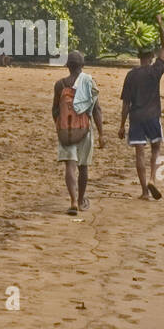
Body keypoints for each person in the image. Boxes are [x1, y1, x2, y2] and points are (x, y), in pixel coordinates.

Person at [119, 14, 164, 200]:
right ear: (151, 56)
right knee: (156, 148)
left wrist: (121, 125)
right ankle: (153, 179)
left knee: (139, 153)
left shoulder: (131, 75)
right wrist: (160, 24)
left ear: (139, 57)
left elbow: (126, 103)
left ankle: (144, 192)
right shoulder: (155, 71)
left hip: (136, 117)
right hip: (153, 116)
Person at [52, 50, 104, 215]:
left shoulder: (60, 85)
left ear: (67, 66)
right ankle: (81, 201)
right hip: (84, 130)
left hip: (66, 130)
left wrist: (60, 126)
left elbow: (54, 110)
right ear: (82, 66)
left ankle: (73, 201)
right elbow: (96, 110)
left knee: (70, 165)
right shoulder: (89, 82)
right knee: (83, 167)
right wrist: (101, 134)